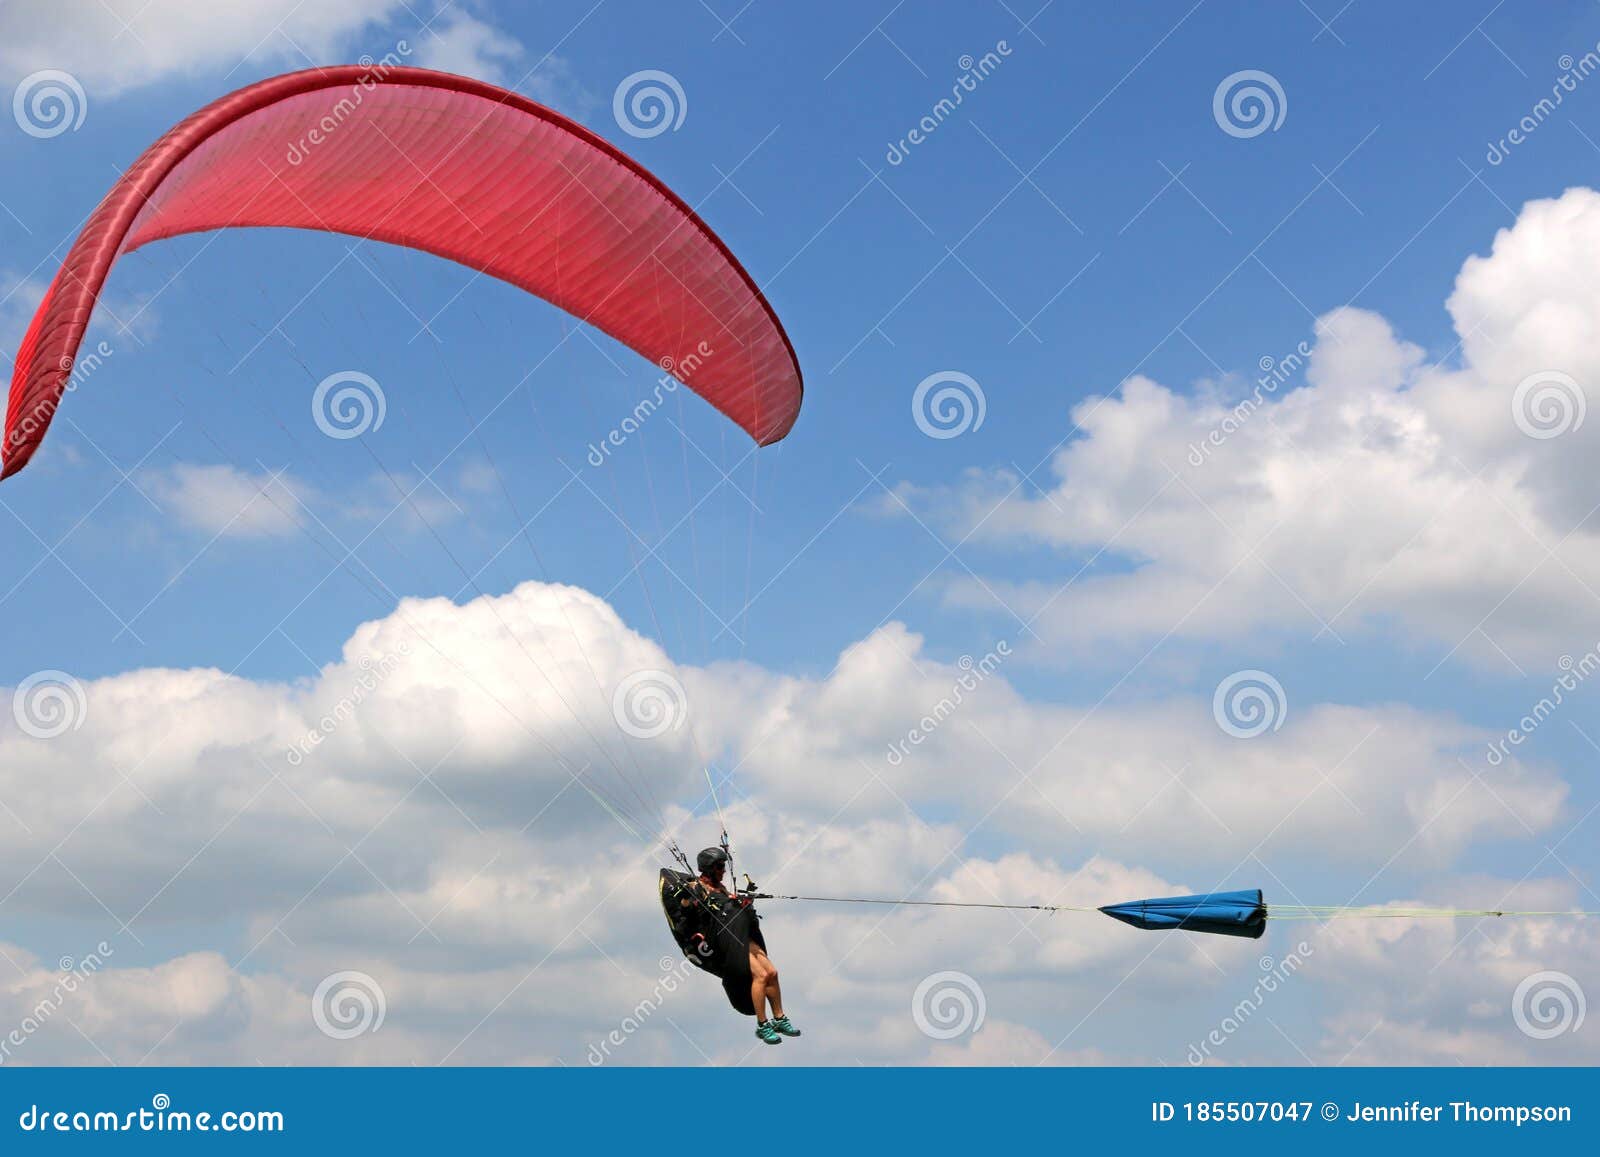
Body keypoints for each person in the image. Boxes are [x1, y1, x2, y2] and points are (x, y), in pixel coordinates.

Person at [685, 846, 801, 1045]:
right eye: (719, 866)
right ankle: (763, 1025)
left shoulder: (720, 888)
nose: (723, 870)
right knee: (761, 976)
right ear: (709, 868)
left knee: (772, 973)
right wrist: (691, 900)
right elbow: (687, 909)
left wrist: (740, 901)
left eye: (723, 865)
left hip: (741, 935)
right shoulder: (697, 887)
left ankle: (780, 1019)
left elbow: (728, 905)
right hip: (725, 941)